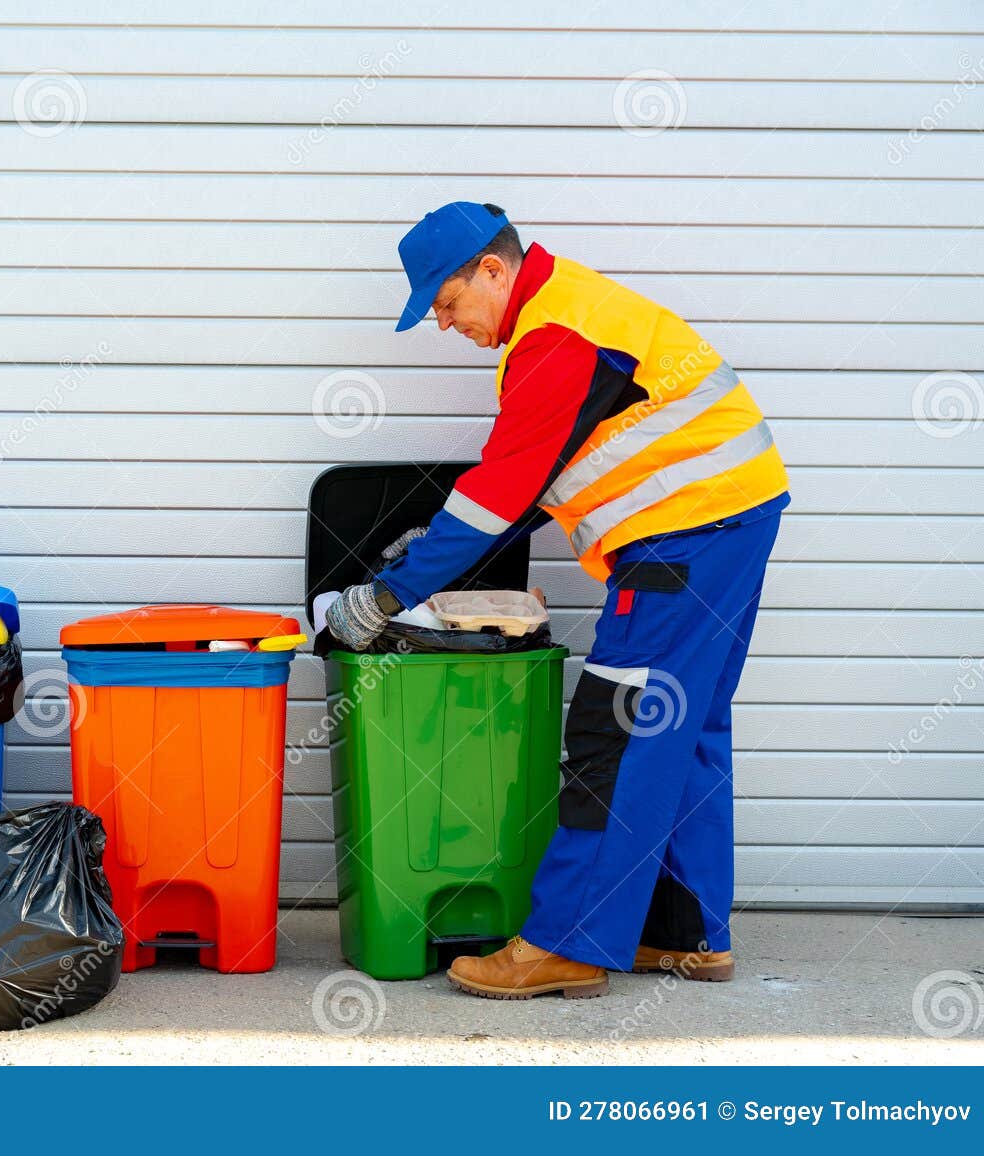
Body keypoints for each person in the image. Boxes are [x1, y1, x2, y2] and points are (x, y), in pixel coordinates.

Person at [324, 202, 790, 999]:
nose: (446, 325)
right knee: (685, 722)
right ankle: (685, 933)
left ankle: (566, 942)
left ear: (493, 270)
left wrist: (390, 592)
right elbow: (550, 468)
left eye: (446, 303)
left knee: (618, 729)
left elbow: (503, 490)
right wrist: (430, 545)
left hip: (682, 536)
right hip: (732, 515)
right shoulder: (571, 312)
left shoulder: (553, 337)